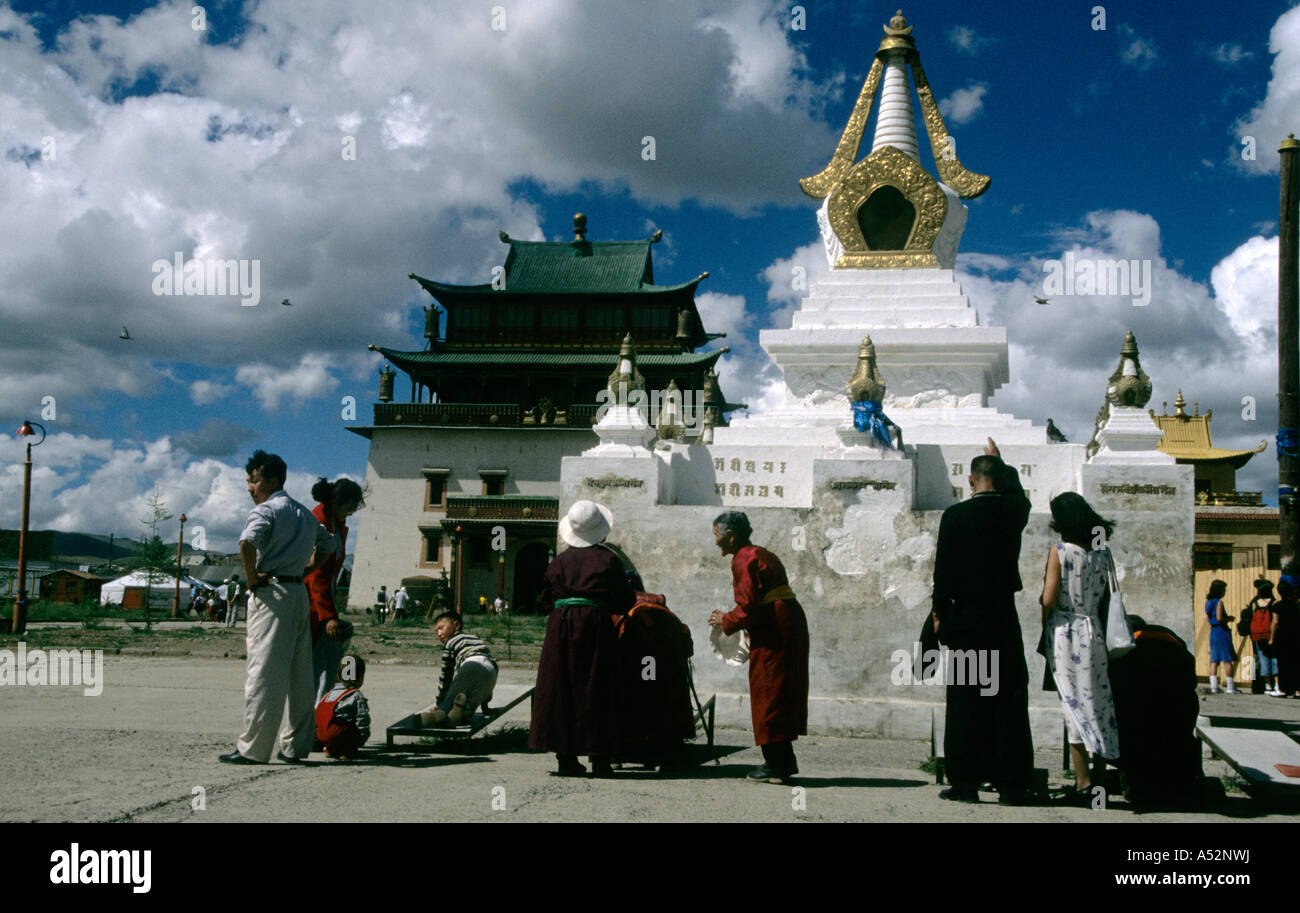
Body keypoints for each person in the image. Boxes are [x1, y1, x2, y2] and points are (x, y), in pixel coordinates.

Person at [930, 437, 1033, 804]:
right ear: (999, 479)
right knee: (1007, 699)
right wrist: (1003, 464)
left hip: (966, 616)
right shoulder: (1011, 513)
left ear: (970, 481)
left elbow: (942, 573)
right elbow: (1022, 500)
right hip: (1001, 615)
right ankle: (1012, 783)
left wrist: (940, 614)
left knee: (965, 700)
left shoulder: (955, 516)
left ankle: (965, 782)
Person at [220, 450, 338, 765]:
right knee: (301, 674)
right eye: (248, 480)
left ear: (272, 481)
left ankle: (253, 748)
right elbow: (329, 546)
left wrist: (252, 577)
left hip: (271, 593)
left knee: (263, 672)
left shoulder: (266, 510)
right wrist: (305, 570)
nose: (250, 487)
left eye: (254, 480)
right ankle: (295, 746)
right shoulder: (302, 513)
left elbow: (247, 543)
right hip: (299, 593)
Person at [529, 499, 636, 778]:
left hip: (560, 628)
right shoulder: (609, 559)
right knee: (598, 684)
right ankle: (600, 759)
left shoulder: (559, 561)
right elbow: (624, 599)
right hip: (596, 626)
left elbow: (543, 601)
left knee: (561, 686)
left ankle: (566, 759)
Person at [707, 511, 809, 785]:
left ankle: (776, 763)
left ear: (731, 535)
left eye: (717, 536)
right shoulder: (760, 553)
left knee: (769, 689)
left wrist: (725, 619)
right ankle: (783, 760)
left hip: (774, 627)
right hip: (783, 621)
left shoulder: (744, 559)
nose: (716, 542)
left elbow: (749, 607)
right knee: (778, 689)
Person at [1039, 492, 1121, 802]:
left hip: (1065, 633)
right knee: (1098, 705)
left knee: (1073, 706)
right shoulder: (1103, 553)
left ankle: (1083, 784)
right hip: (1095, 631)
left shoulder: (1060, 551)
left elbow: (1048, 598)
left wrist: (1043, 612)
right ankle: (1099, 781)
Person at [305, 476, 364, 702]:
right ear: (339, 501)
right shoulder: (320, 522)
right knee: (318, 668)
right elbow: (317, 574)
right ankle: (316, 719)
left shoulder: (335, 523)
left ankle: (320, 715)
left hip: (322, 603)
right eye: (350, 507)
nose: (351, 512)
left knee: (327, 664)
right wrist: (328, 616)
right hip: (313, 606)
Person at [418, 612, 498, 726]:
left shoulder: (450, 642)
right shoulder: (475, 638)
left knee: (449, 701)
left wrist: (440, 702)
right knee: (470, 705)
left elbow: (446, 674)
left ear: (456, 625)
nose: (439, 633)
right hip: (491, 671)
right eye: (436, 631)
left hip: (471, 665)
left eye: (441, 628)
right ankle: (461, 714)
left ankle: (439, 714)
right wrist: (485, 706)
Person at [315, 654, 370, 760]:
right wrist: (362, 737)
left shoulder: (329, 693)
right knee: (351, 726)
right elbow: (362, 718)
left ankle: (330, 750)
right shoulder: (356, 694)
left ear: (339, 676)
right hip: (340, 735)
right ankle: (347, 752)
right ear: (360, 677)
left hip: (322, 735)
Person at [1205, 579, 1236, 693]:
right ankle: (1230, 687)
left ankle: (1213, 686)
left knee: (1214, 660)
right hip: (1221, 631)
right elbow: (1219, 618)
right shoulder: (1219, 602)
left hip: (1213, 632)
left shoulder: (1208, 602)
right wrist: (1229, 618)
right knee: (1227, 659)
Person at [1273, 574, 1300, 698]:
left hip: (1281, 637)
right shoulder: (1296, 605)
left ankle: (1283, 689)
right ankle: (1298, 690)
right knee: (1296, 662)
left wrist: (1271, 637)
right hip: (1295, 636)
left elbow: (1275, 622)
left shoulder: (1277, 606)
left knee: (1283, 663)